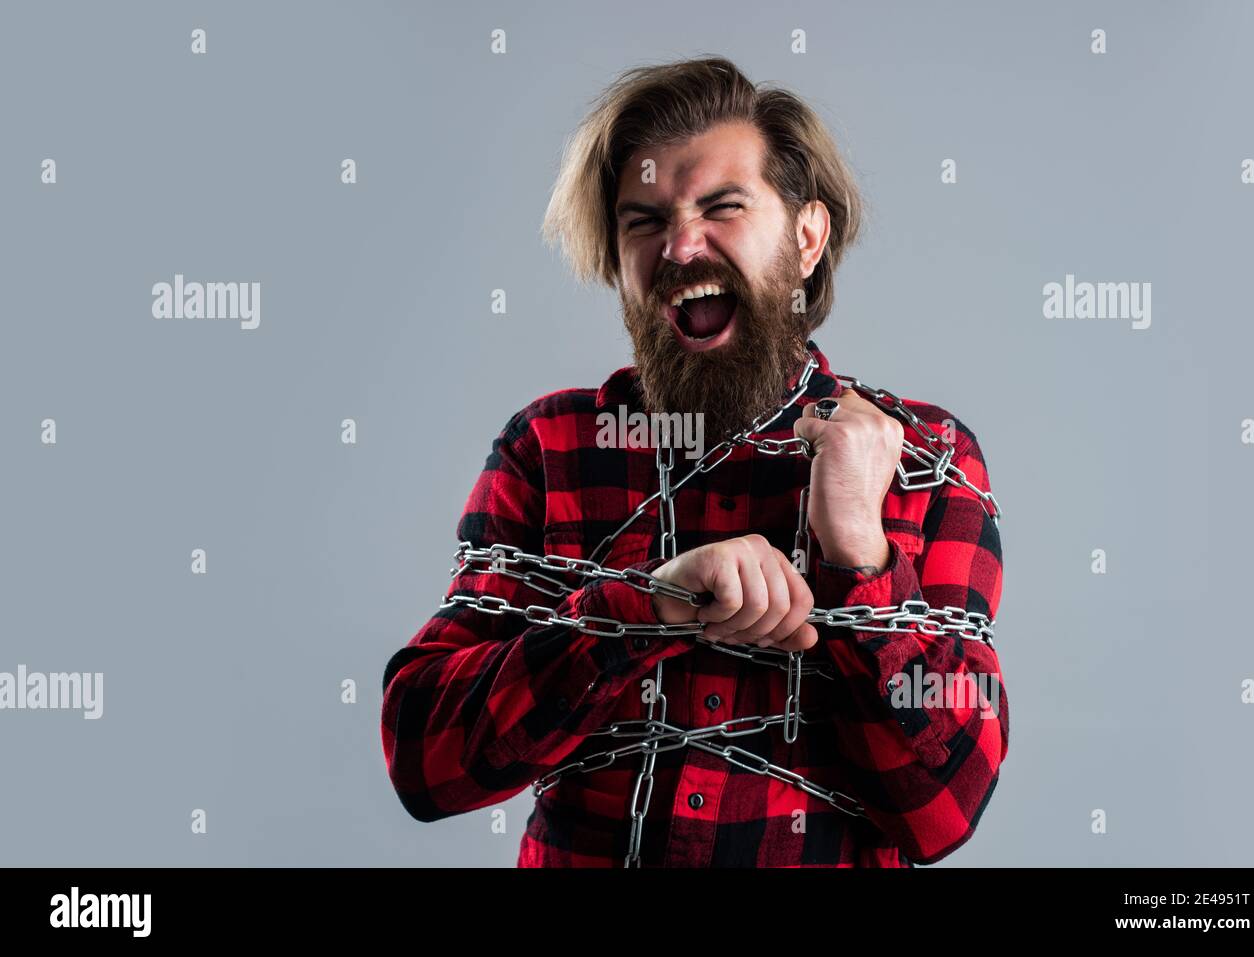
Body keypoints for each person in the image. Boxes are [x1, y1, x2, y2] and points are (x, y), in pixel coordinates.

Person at [381, 55, 1007, 867]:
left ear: (807, 237)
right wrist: (642, 608)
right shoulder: (553, 449)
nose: (680, 246)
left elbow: (945, 812)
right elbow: (426, 763)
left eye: (722, 207)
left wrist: (858, 551)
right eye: (643, 221)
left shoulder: (923, 458)